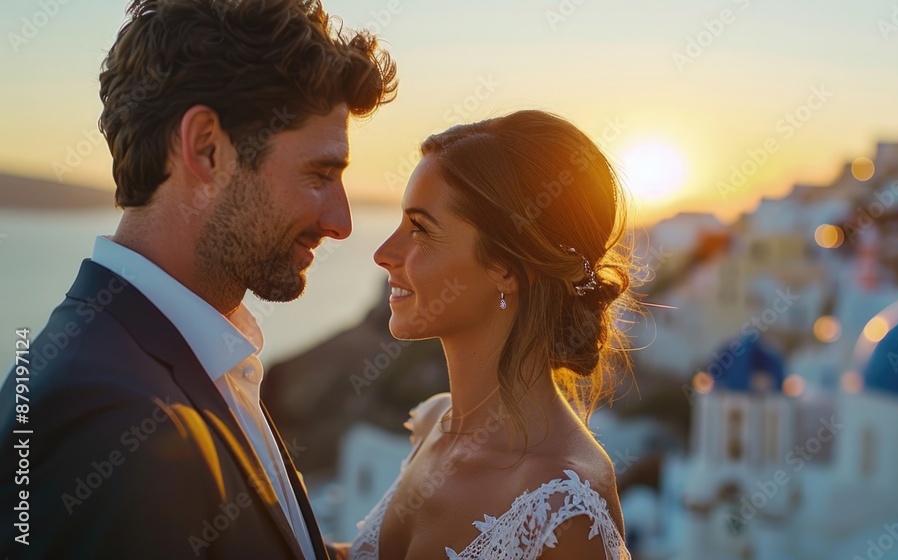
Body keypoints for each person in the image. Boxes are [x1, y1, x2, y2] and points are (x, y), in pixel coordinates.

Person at [0, 1, 395, 558]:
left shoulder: (194, 359)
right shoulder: (106, 414)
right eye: (319, 174)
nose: (341, 222)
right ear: (206, 148)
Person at [353, 110, 634, 559]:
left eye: (420, 229)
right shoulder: (434, 424)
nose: (384, 253)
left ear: (505, 268)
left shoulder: (565, 511)